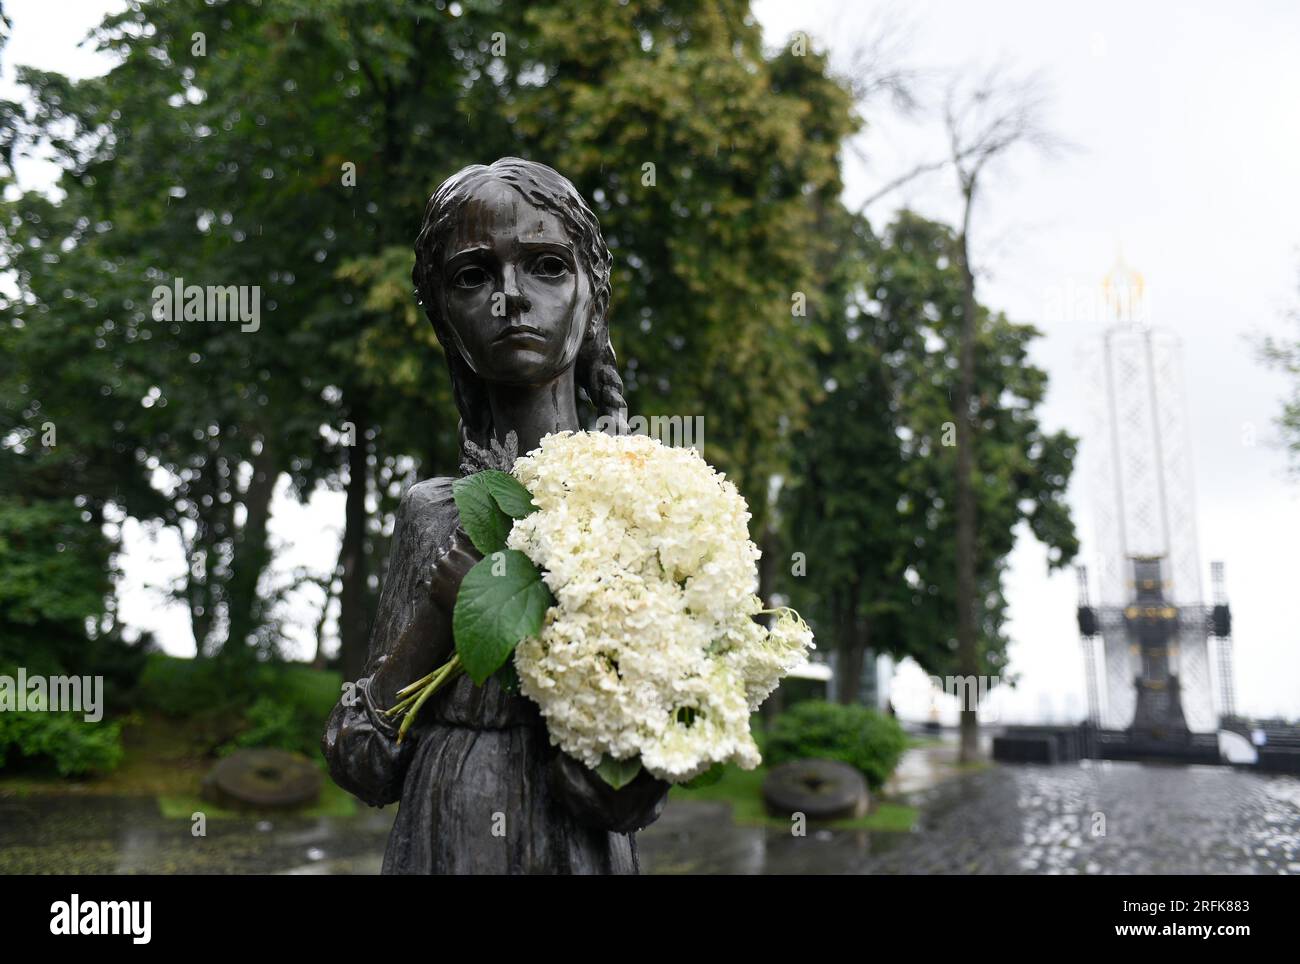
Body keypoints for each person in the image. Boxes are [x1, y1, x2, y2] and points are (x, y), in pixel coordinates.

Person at [322, 158, 670, 874]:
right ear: (445, 321)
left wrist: (526, 631)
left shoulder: (642, 506)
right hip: (445, 835)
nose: (510, 296)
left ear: (591, 298)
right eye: (473, 277)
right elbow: (362, 764)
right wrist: (438, 619)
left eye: (546, 265)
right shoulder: (431, 513)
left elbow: (627, 795)